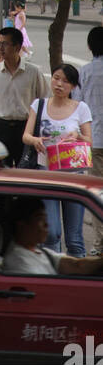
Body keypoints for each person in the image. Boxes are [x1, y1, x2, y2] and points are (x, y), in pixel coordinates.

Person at [22, 63, 92, 256]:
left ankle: (79, 281)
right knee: (51, 233)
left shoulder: (81, 108)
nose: (59, 84)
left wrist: (77, 136)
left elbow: (89, 141)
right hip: (46, 173)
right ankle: (52, 275)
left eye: (66, 81)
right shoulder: (39, 105)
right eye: (56, 78)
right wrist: (35, 140)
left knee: (74, 237)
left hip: (74, 175)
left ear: (74, 87)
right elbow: (26, 136)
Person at [0, 27, 48, 166]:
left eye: (5, 44)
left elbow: (44, 101)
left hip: (26, 128)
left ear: (17, 47)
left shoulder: (33, 72)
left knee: (26, 170)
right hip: (2, 128)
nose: (0, 48)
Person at [0, 196, 103, 276]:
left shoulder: (41, 253)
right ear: (22, 225)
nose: (46, 224)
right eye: (40, 219)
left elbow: (76, 265)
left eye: (45, 218)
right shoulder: (19, 262)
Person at [79, 26, 103, 254]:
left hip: (94, 142)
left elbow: (77, 106)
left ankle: (99, 245)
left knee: (97, 193)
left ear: (89, 46)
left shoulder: (85, 72)